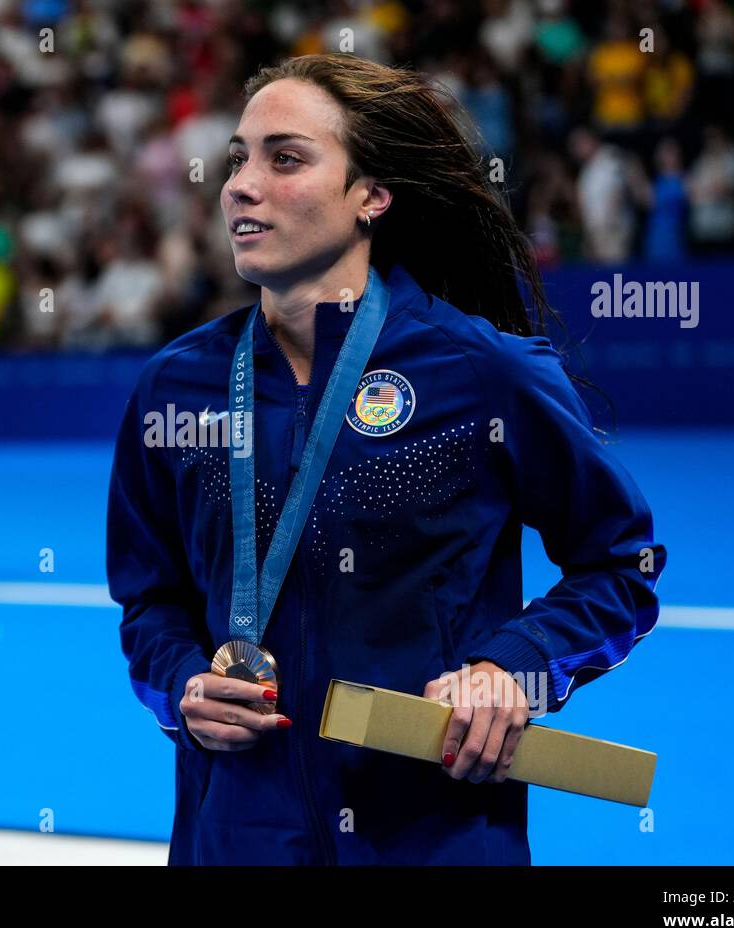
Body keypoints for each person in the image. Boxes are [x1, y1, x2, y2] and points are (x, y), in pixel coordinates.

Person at [106, 54, 667, 865]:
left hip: (429, 833)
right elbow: (149, 599)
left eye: (285, 158)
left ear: (371, 195)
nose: (239, 184)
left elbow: (622, 563)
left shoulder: (481, 372)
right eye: (237, 158)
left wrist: (515, 668)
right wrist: (182, 684)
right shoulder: (176, 386)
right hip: (233, 830)